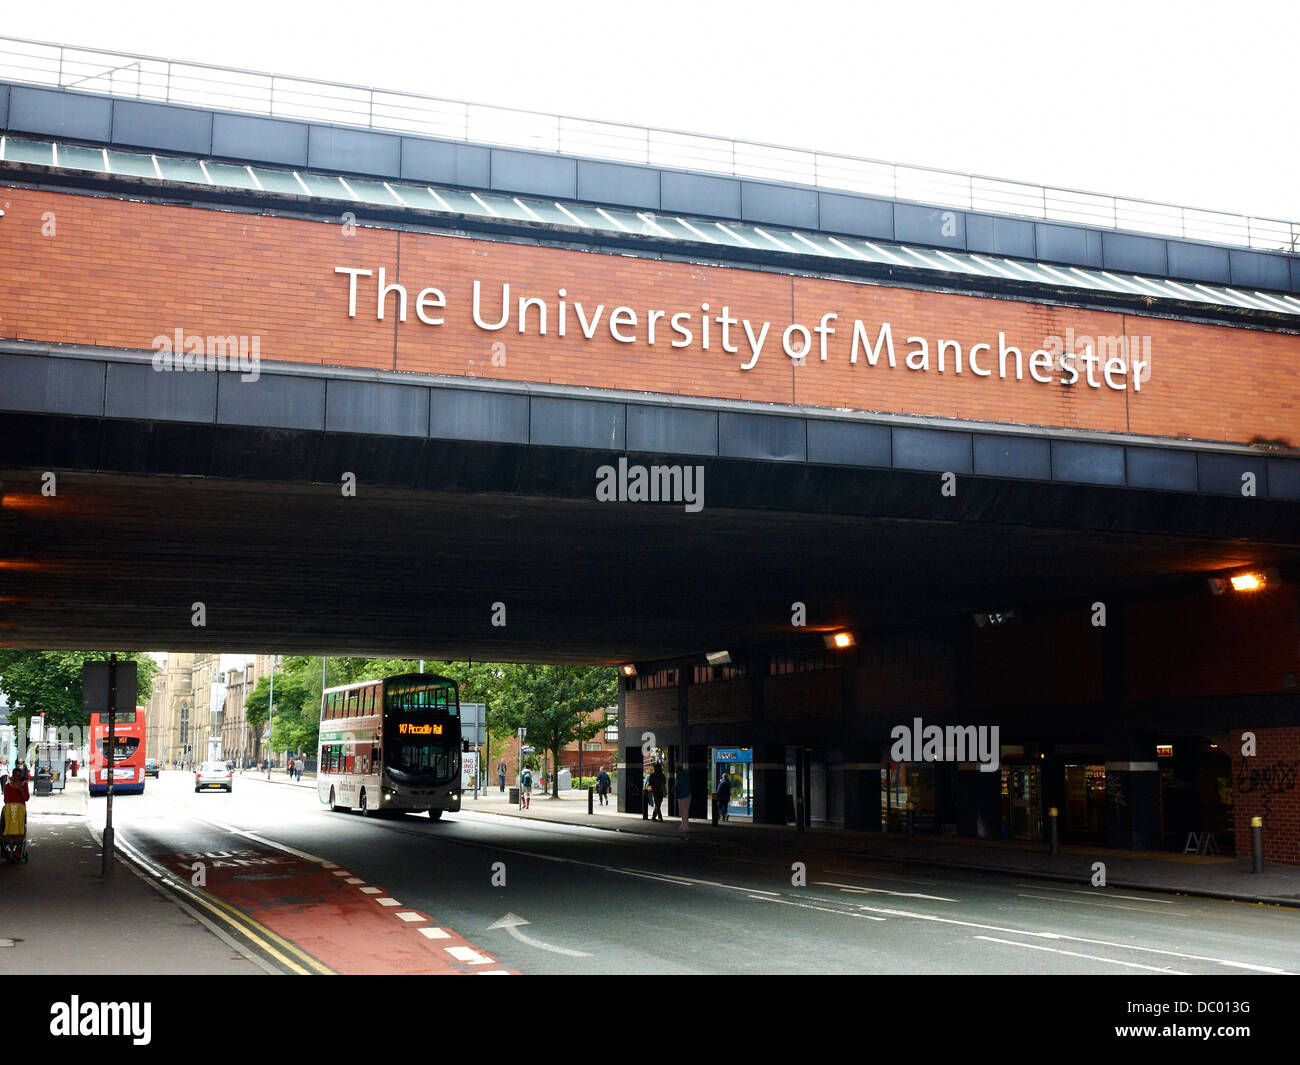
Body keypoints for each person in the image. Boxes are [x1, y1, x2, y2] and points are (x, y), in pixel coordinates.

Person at [675, 763, 692, 834]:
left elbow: (678, 784)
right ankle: (683, 825)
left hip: (682, 795)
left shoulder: (679, 774)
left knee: (683, 812)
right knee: (685, 811)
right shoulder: (685, 773)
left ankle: (685, 827)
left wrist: (673, 788)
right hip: (687, 794)